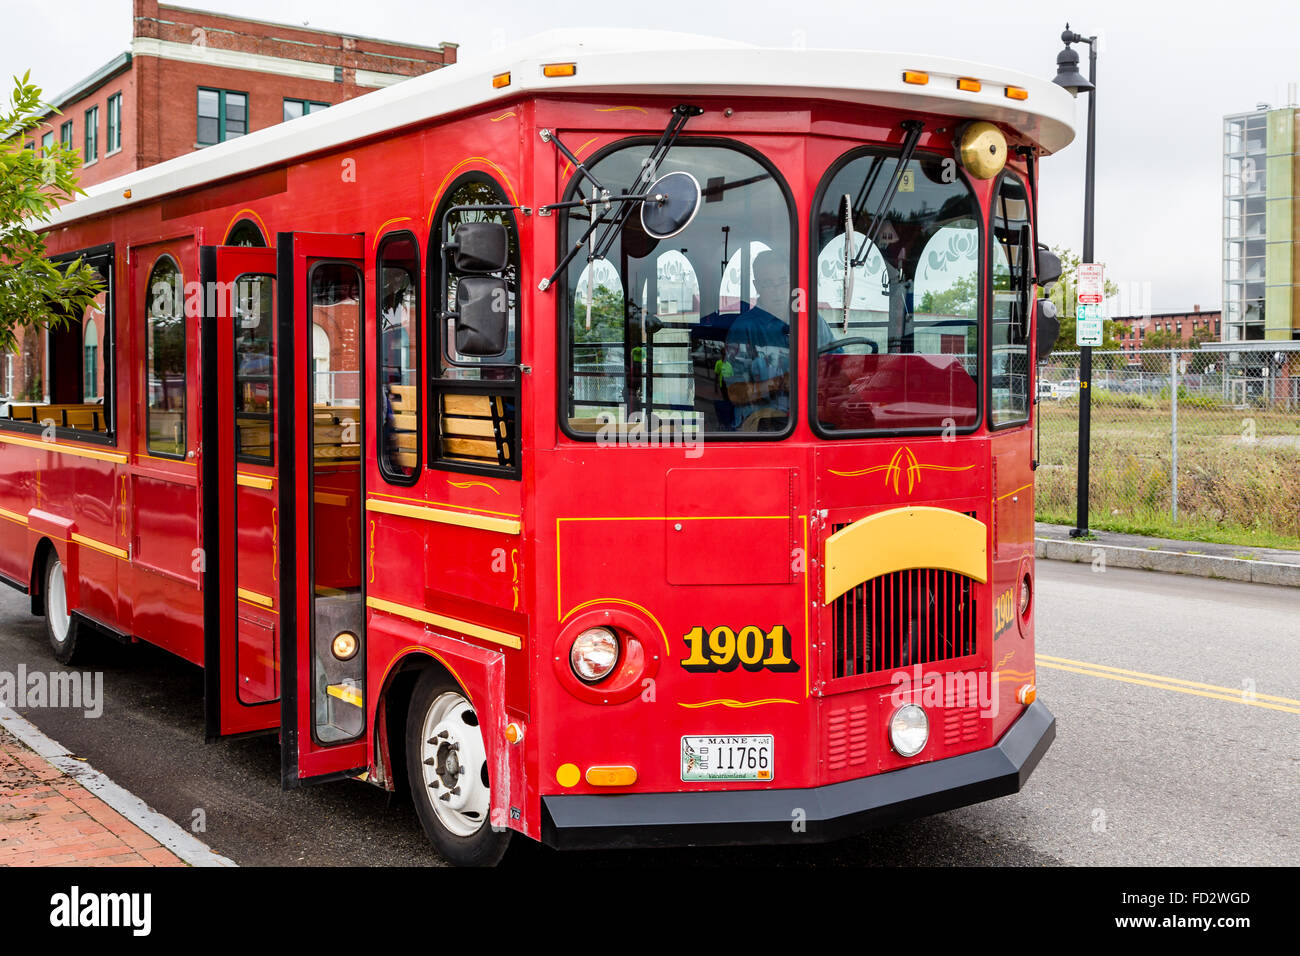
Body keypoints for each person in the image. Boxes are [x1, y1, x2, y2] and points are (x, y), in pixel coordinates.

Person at [719, 250, 791, 430]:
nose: (778, 291)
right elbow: (735, 394)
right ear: (756, 286)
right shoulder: (744, 329)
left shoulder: (813, 321)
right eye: (768, 284)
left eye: (783, 282)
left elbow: (838, 368)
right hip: (759, 426)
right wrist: (778, 383)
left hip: (811, 420)